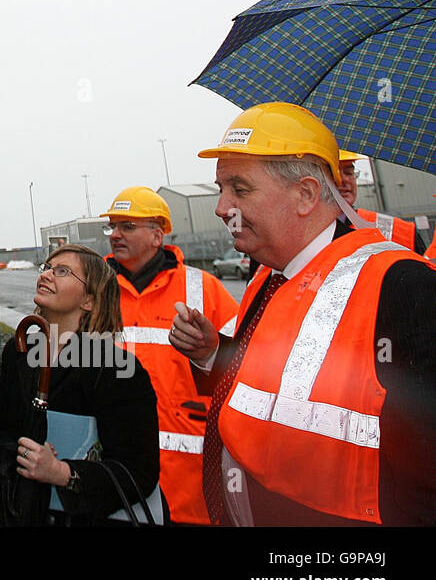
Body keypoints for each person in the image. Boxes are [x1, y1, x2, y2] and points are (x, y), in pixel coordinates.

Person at [171, 102, 436, 525]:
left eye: (240, 189)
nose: (222, 208)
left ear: (307, 194)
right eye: (221, 188)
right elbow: (270, 392)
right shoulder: (269, 276)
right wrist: (212, 352)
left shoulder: (402, 286)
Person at [0, 244, 160, 525]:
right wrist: (20, 455)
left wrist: (63, 473)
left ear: (88, 299)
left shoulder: (115, 367)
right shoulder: (19, 351)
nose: (47, 275)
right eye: (47, 268)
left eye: (62, 272)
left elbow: (138, 471)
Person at [100, 186, 237, 525]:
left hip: (189, 482)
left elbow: (245, 364)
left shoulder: (202, 289)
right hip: (114, 475)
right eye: (113, 226)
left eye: (127, 226)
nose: (115, 234)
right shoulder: (95, 291)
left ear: (157, 235)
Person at [337, 150, 428, 253]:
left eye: (349, 172)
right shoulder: (316, 237)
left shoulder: (400, 231)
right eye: (334, 173)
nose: (344, 180)